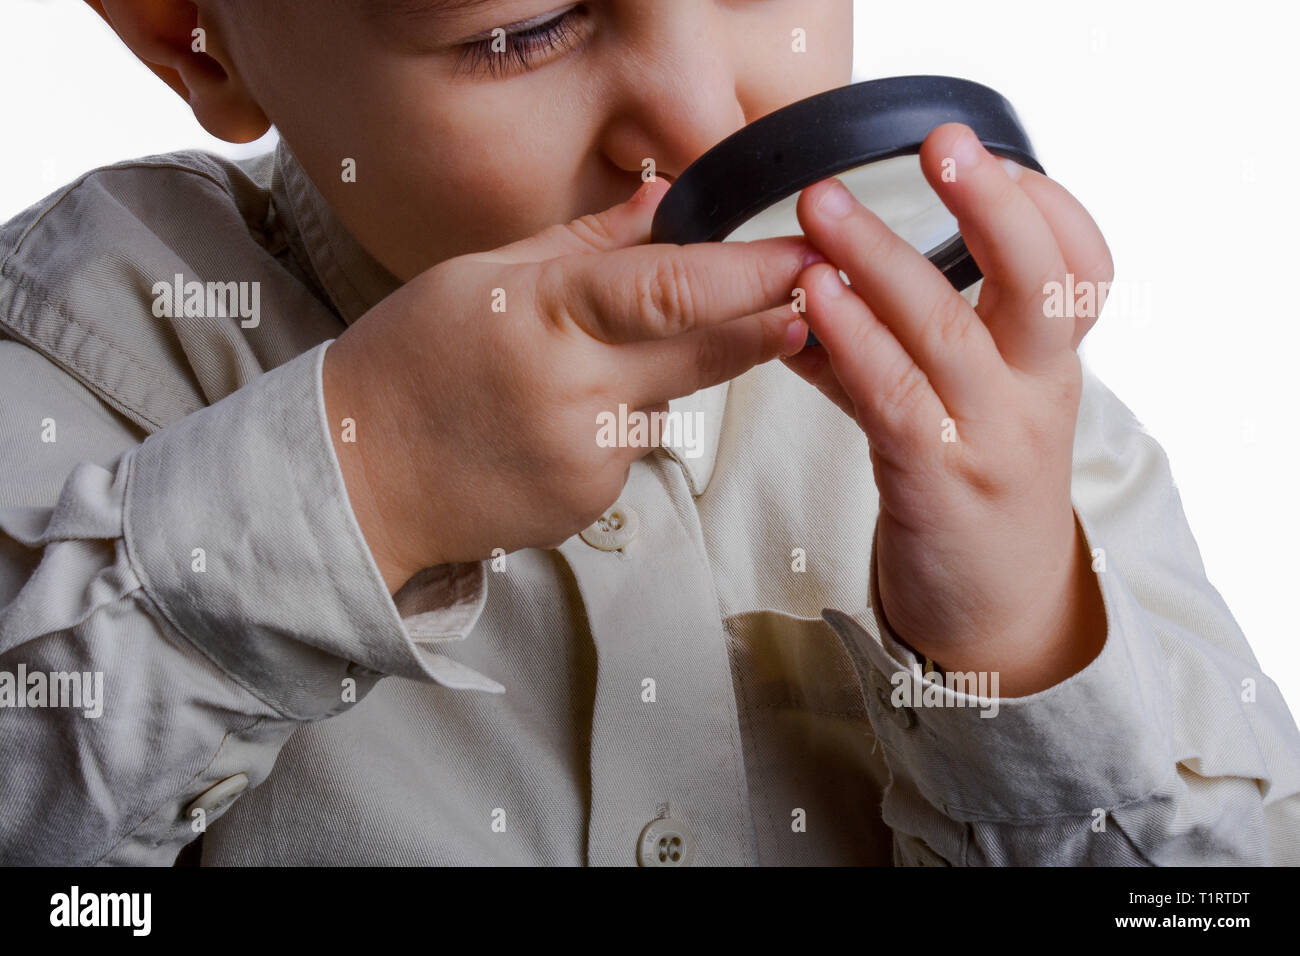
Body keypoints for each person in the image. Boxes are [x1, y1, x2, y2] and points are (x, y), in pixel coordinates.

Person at [1, 0, 1296, 866]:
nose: (701, 122)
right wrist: (363, 485)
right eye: (521, 29)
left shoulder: (980, 374)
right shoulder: (94, 340)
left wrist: (1013, 644)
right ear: (192, 37)